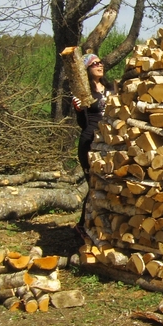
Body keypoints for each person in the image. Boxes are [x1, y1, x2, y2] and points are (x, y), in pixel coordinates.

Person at [72, 53, 110, 240]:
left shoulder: (110, 87)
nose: (99, 65)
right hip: (90, 141)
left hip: (109, 142)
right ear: (87, 69)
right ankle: (82, 225)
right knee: (93, 184)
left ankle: (99, 224)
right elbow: (83, 123)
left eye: (100, 62)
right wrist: (78, 110)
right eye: (94, 64)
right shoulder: (84, 92)